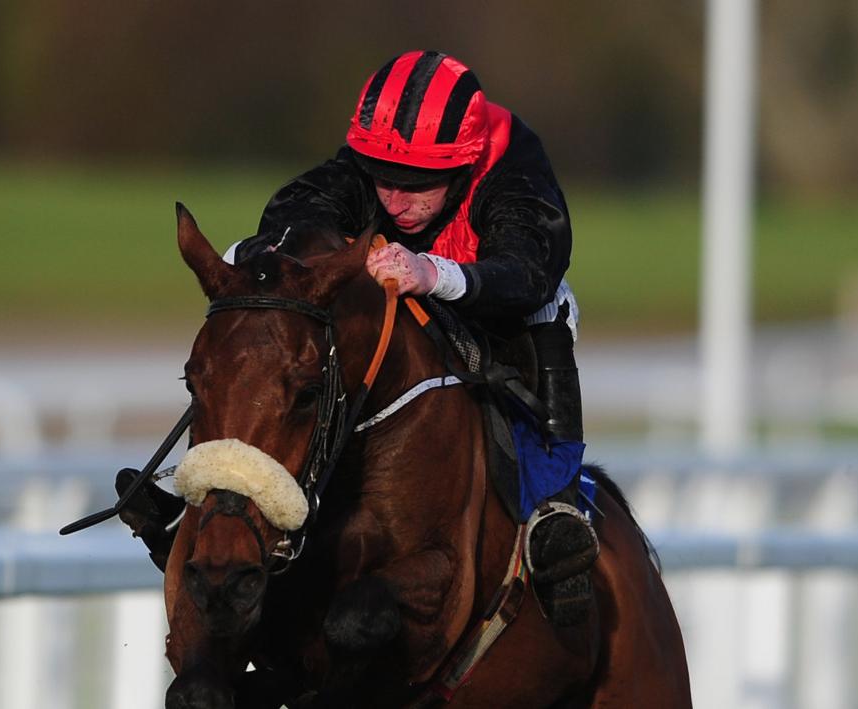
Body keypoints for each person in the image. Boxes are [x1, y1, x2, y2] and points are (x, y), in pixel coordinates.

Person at [229, 51, 595, 626]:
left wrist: (436, 275)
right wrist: (267, 249)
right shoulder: (381, 153)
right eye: (383, 180)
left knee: (549, 306)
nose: (394, 202)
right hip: (407, 311)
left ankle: (557, 510)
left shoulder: (514, 164)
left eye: (416, 185)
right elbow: (301, 207)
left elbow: (527, 272)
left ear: (464, 160)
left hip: (505, 311)